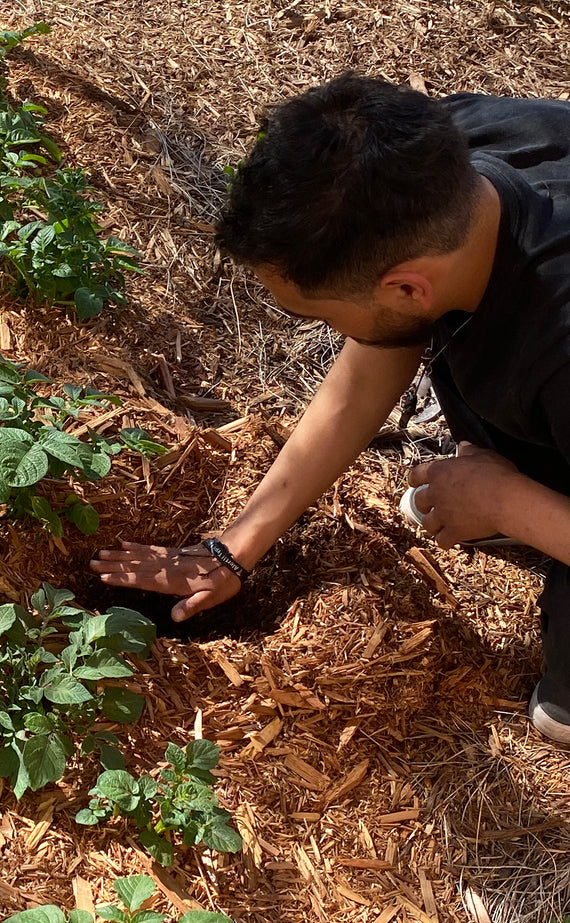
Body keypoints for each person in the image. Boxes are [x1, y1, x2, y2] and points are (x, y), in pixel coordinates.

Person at [90, 72, 570, 742]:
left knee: (561, 714)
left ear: (407, 286)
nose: (328, 328)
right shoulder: (439, 159)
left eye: (317, 312)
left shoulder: (557, 343)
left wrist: (504, 501)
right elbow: (379, 350)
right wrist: (235, 547)